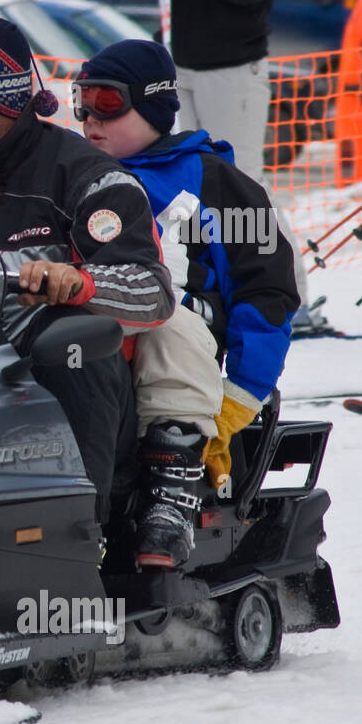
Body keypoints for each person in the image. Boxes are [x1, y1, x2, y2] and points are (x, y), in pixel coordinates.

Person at [0, 18, 174, 522]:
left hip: (46, 387)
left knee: (76, 344)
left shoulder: (88, 178)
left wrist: (80, 284)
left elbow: (152, 291)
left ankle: (83, 531)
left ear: (2, 98)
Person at [75, 39, 299, 565]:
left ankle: (170, 490)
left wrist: (242, 394)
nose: (90, 119)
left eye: (107, 102)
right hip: (94, 322)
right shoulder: (76, 174)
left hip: (178, 335)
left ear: (153, 105)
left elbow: (268, 291)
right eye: (80, 103)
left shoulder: (215, 183)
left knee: (166, 323)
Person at [122, 0, 324, 333]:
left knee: (243, 184)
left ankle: (289, 298)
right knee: (187, 178)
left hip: (233, 69)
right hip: (180, 65)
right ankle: (210, 285)